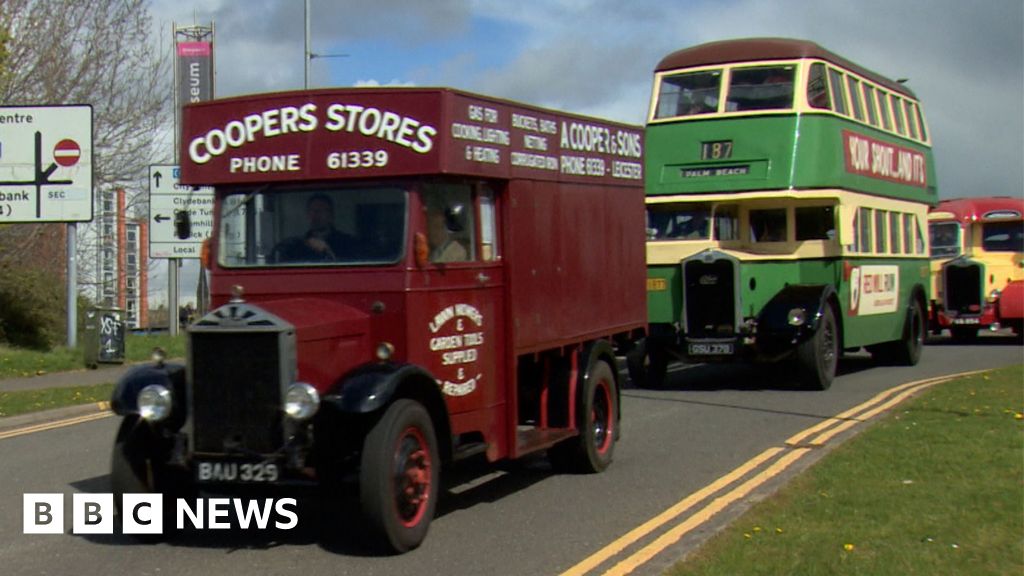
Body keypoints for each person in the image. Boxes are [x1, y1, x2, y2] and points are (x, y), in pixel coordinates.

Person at [275, 194, 353, 262]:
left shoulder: (347, 243)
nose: (316, 215)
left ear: (331, 215)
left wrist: (328, 251)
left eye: (321, 210)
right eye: (312, 210)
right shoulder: (295, 246)